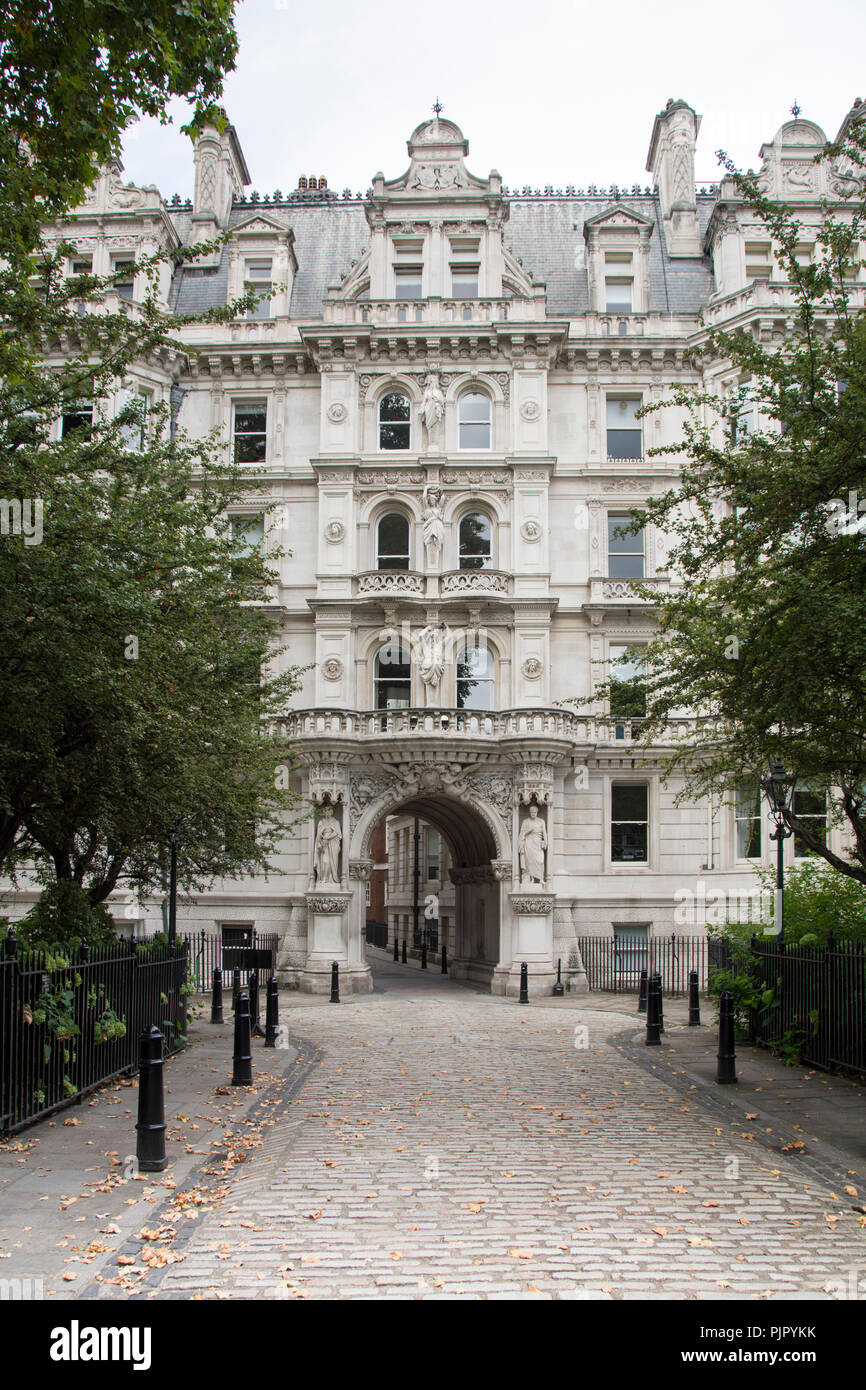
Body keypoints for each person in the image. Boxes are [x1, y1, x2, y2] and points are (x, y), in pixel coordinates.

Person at [518, 803, 547, 885]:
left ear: (537, 812)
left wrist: (545, 841)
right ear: (530, 813)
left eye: (534, 813)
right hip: (529, 843)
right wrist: (529, 831)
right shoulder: (525, 821)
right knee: (529, 861)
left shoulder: (541, 821)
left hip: (537, 843)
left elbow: (544, 832)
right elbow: (522, 834)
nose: (533, 814)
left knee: (540, 860)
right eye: (532, 813)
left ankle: (541, 878)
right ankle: (531, 879)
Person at [314, 804, 342, 884]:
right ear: (324, 812)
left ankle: (331, 879)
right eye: (326, 811)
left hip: (333, 844)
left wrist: (328, 837)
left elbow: (338, 833)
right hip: (324, 844)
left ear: (332, 812)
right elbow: (318, 835)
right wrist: (320, 841)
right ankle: (323, 878)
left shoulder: (335, 822)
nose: (328, 812)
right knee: (325, 861)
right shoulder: (321, 822)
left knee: (331, 862)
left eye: (329, 810)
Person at [421, 484, 445, 568]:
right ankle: (432, 565)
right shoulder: (427, 509)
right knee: (430, 543)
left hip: (437, 526)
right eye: (430, 500)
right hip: (429, 527)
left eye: (433, 500)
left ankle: (433, 565)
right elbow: (424, 498)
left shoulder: (438, 509)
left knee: (436, 543)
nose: (432, 501)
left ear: (435, 501)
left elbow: (442, 499)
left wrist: (441, 491)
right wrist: (426, 489)